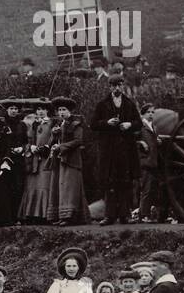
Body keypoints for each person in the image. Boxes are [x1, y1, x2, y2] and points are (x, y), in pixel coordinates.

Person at [92, 75, 141, 225]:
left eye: (119, 85)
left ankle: (124, 216)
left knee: (125, 182)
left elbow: (139, 122)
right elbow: (93, 124)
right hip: (109, 151)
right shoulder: (102, 104)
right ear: (110, 87)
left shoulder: (129, 104)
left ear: (123, 86)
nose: (117, 88)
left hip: (126, 150)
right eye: (114, 86)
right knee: (110, 183)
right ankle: (109, 216)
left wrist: (129, 125)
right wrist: (107, 123)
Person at [50, 97, 88, 226]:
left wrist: (61, 147)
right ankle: (62, 216)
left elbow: (78, 140)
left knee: (70, 188)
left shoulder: (76, 124)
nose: (61, 112)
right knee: (62, 187)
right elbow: (55, 141)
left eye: (64, 110)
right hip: (61, 159)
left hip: (72, 159)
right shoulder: (59, 124)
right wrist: (54, 137)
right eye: (59, 110)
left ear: (69, 111)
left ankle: (70, 217)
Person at [18, 99, 55, 224]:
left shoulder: (52, 123)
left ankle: (45, 215)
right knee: (32, 185)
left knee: (44, 184)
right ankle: (30, 214)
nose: (40, 112)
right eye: (38, 109)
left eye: (43, 109)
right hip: (34, 159)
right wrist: (31, 147)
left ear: (47, 110)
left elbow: (53, 139)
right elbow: (28, 139)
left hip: (46, 159)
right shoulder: (34, 124)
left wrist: (44, 148)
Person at [136, 103, 170, 223]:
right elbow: (131, 141)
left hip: (153, 161)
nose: (151, 114)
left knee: (152, 189)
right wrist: (140, 143)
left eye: (152, 112)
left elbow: (152, 141)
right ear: (142, 114)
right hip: (145, 161)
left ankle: (148, 214)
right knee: (146, 189)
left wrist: (157, 141)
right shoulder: (139, 126)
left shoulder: (153, 127)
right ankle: (143, 215)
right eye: (148, 112)